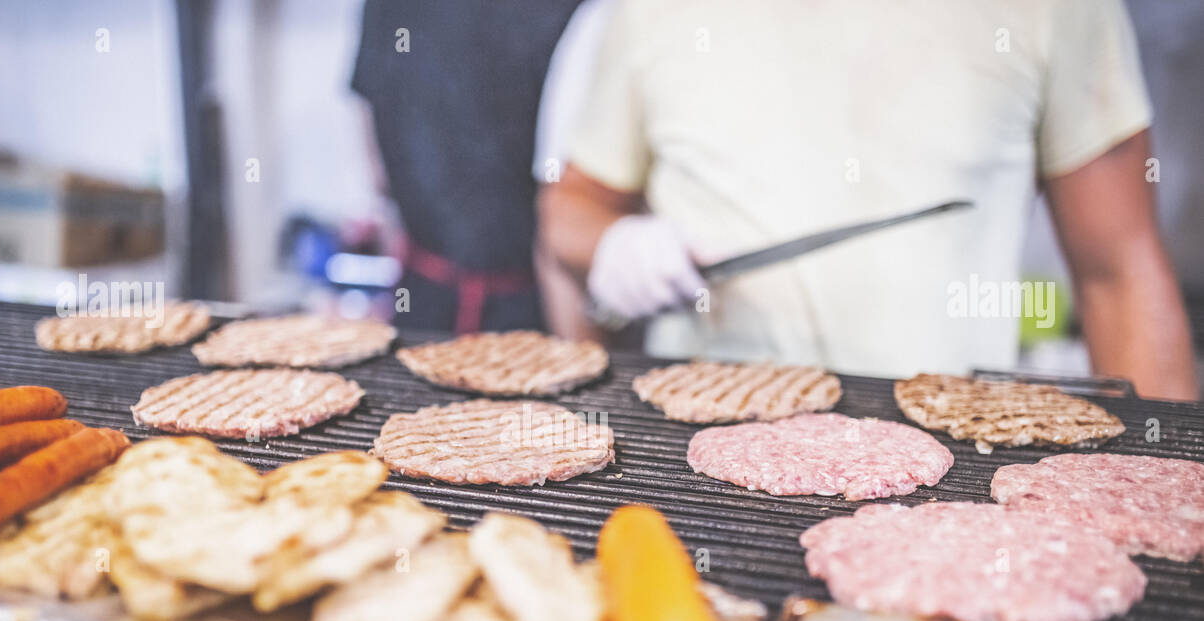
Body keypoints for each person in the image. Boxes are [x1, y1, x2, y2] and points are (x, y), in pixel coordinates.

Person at [540, 0, 1199, 400]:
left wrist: (1169, 485)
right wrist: (614, 244)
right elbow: (569, 207)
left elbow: (1119, 270)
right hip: (701, 443)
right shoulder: (648, 11)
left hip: (961, 450)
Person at [351, 0, 584, 335]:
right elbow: (570, 206)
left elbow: (378, 173)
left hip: (422, 294)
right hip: (535, 308)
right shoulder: (575, 10)